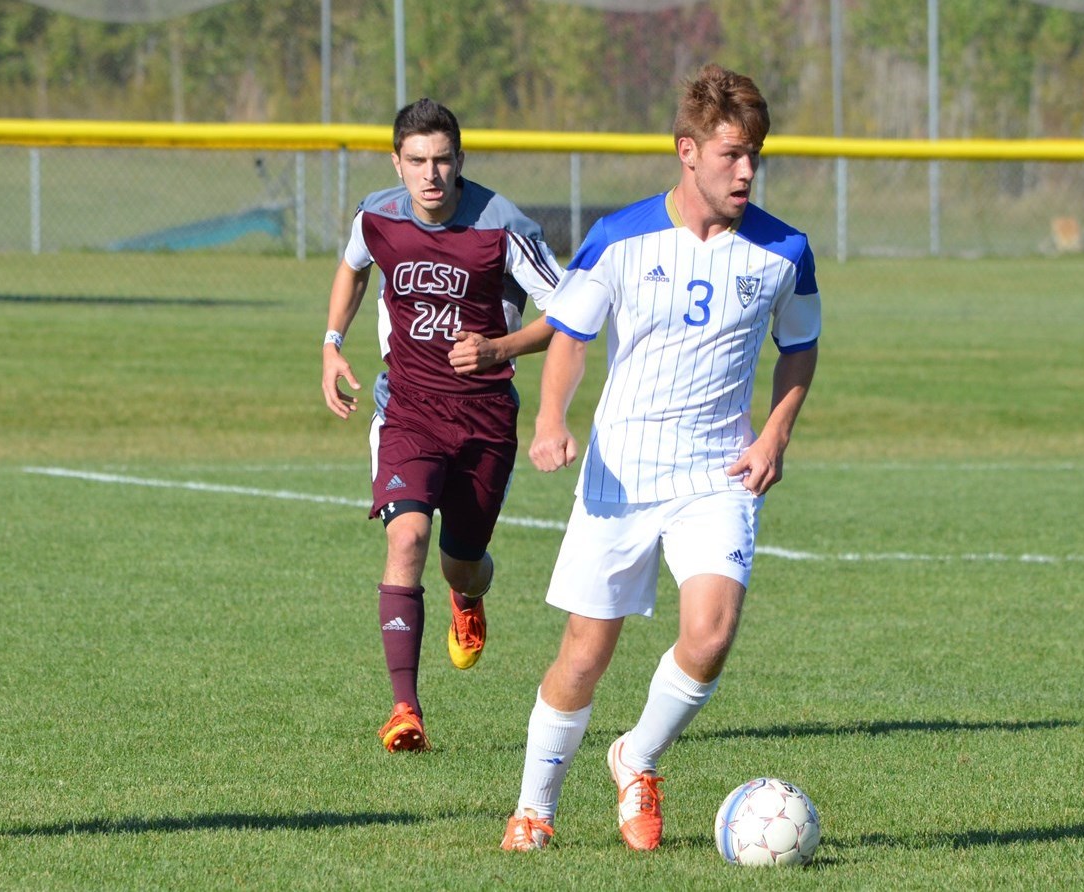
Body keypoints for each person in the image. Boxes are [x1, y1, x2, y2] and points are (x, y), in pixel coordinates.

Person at [501, 64, 821, 852]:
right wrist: (548, 420)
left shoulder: (785, 250)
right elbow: (571, 337)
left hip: (718, 472)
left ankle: (636, 759)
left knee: (711, 633)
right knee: (585, 652)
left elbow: (801, 348)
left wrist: (775, 432)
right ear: (687, 150)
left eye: (755, 155)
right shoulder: (621, 235)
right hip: (621, 470)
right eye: (730, 154)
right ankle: (535, 810)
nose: (746, 170)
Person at [321, 97, 562, 753]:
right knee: (406, 538)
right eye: (418, 161)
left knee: (463, 564)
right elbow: (353, 264)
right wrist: (331, 339)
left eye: (443, 161)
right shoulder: (377, 215)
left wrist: (498, 349)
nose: (431, 175)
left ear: (460, 161)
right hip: (407, 411)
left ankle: (469, 595)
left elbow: (571, 313)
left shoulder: (501, 226)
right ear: (397, 163)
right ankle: (405, 710)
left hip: (484, 421)